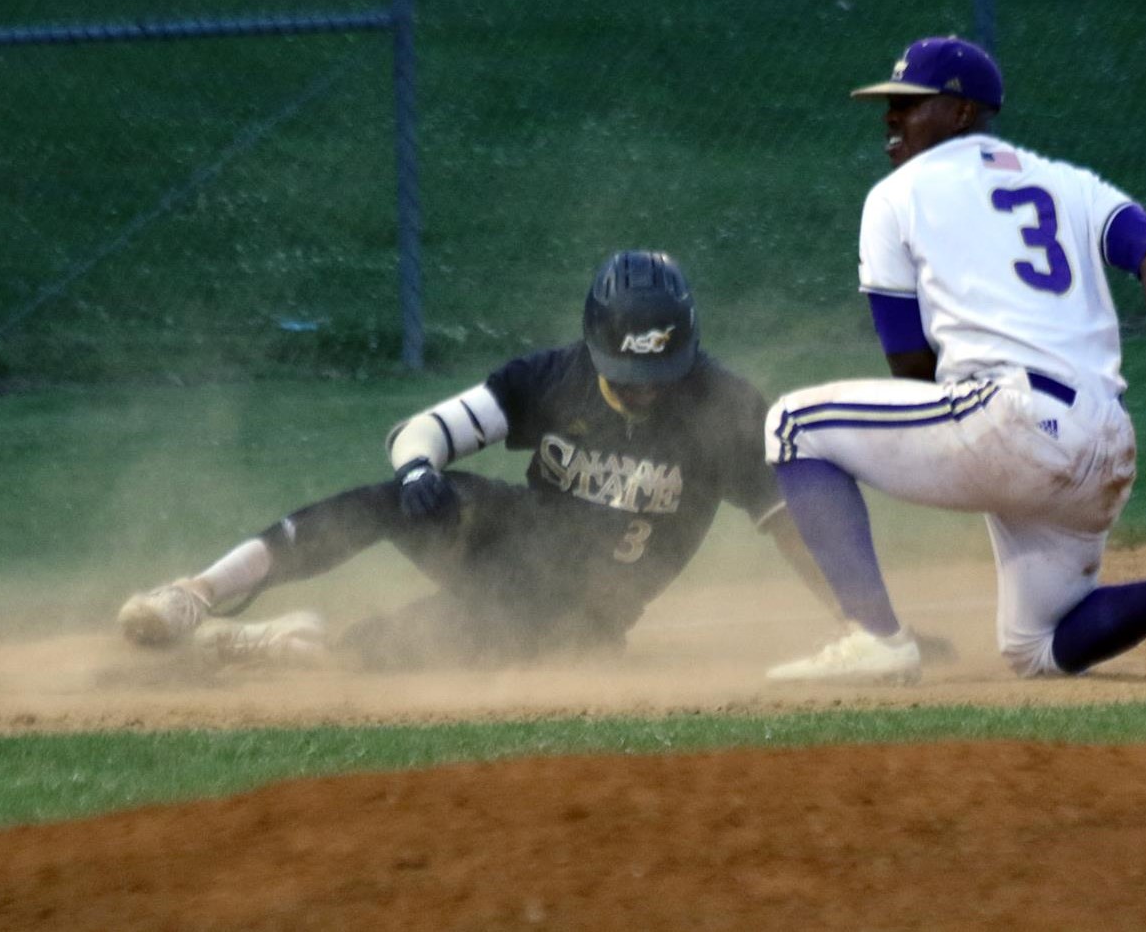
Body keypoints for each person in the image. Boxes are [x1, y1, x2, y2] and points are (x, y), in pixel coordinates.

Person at [761, 35, 1146, 685]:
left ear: (960, 112)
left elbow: (908, 367)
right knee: (1035, 645)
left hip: (1006, 420)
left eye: (907, 102)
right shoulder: (1068, 183)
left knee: (792, 424)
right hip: (1104, 439)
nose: (889, 117)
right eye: (889, 104)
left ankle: (875, 637)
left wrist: (945, 455)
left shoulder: (895, 195)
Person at [117, 249, 883, 670]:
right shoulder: (550, 377)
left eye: (661, 373)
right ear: (592, 345)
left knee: (394, 654)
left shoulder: (725, 407)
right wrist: (417, 470)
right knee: (386, 497)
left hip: (578, 613)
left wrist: (867, 624)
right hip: (508, 536)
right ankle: (198, 593)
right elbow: (425, 429)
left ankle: (284, 647)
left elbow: (793, 525)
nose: (644, 393)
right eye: (626, 375)